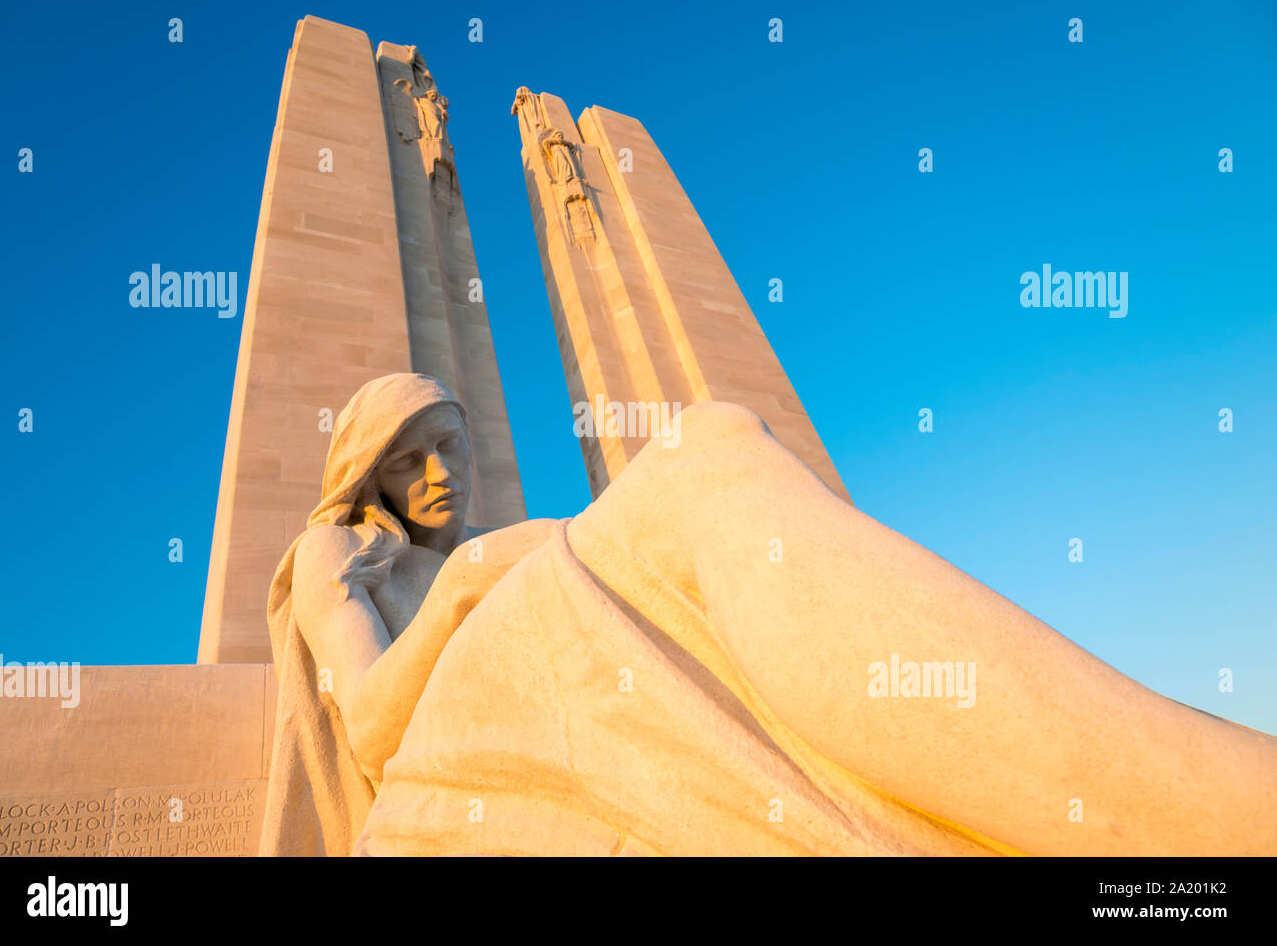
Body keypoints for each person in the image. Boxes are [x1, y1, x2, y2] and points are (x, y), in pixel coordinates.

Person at [262, 373, 1277, 856]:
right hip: (444, 769)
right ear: (368, 475)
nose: (437, 473)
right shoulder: (337, 551)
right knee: (691, 476)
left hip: (525, 675)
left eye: (448, 444)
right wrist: (466, 583)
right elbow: (373, 726)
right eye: (406, 459)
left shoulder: (481, 553)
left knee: (706, 443)